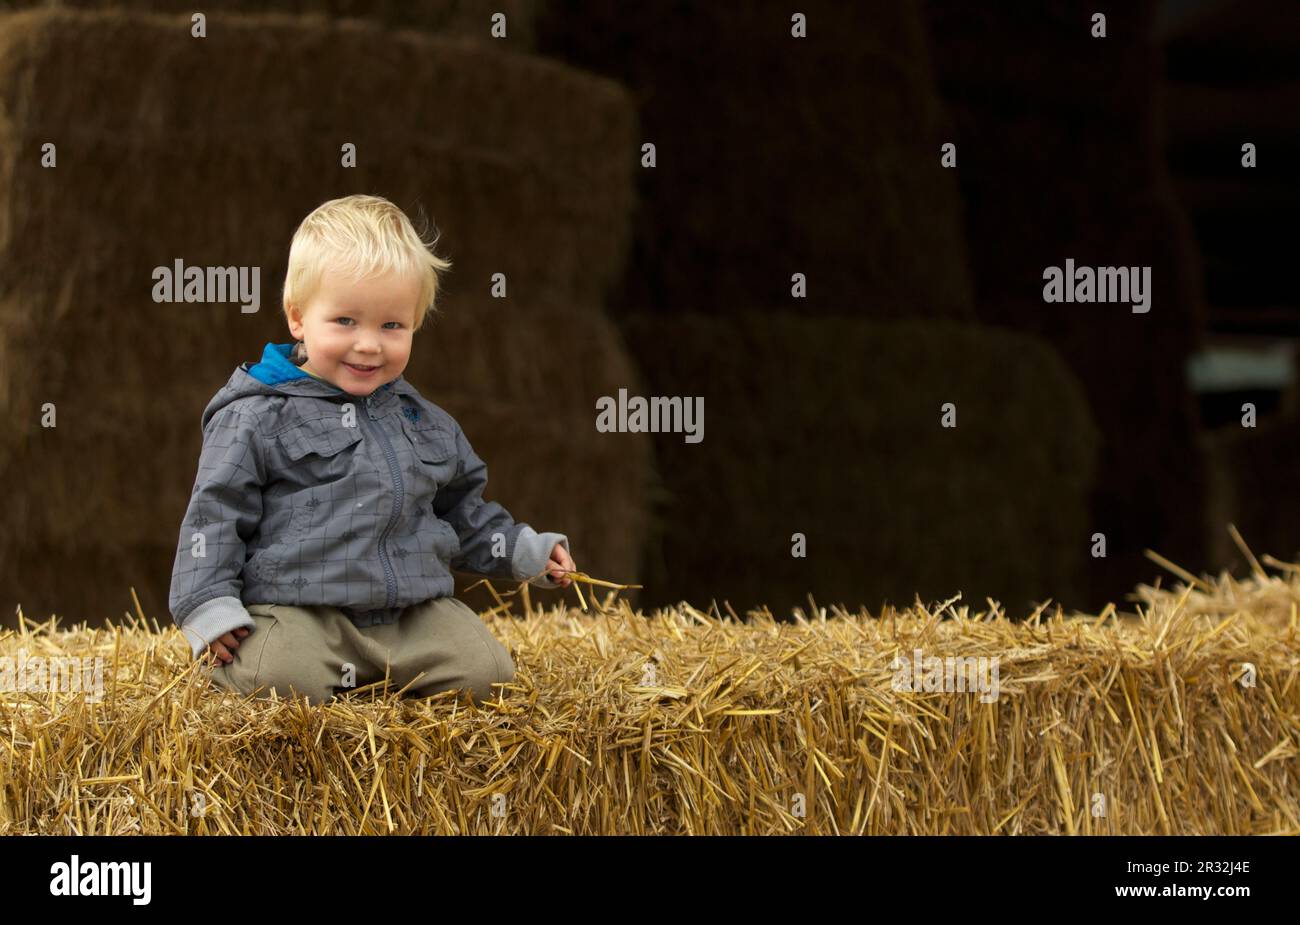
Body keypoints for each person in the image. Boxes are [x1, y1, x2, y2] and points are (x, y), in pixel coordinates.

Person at [167, 194, 575, 706]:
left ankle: (380, 673)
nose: (369, 344)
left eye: (391, 326)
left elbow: (464, 513)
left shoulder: (423, 421)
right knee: (282, 680)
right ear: (298, 318)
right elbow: (214, 516)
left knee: (488, 675)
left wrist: (524, 552)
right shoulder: (256, 413)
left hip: (408, 615)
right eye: (345, 322)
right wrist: (207, 604)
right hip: (300, 613)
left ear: (414, 325)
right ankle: (290, 669)